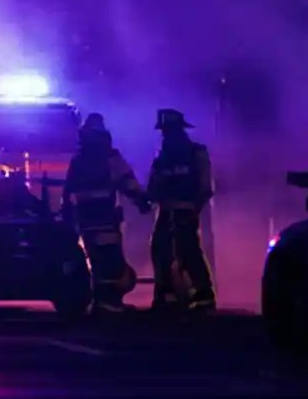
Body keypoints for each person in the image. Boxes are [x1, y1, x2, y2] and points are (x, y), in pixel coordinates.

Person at [62, 113, 149, 312]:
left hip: (86, 219)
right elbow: (128, 182)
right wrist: (142, 201)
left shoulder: (78, 160)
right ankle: (110, 302)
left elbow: (68, 191)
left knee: (96, 258)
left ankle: (102, 301)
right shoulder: (110, 158)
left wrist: (67, 214)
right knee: (111, 260)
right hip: (106, 217)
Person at [147, 109, 215, 311]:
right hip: (167, 211)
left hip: (185, 211)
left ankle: (203, 294)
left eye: (169, 131)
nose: (166, 136)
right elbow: (154, 187)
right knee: (160, 249)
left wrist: (195, 209)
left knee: (188, 250)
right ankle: (166, 293)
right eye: (165, 132)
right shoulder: (161, 159)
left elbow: (204, 187)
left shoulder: (196, 153)